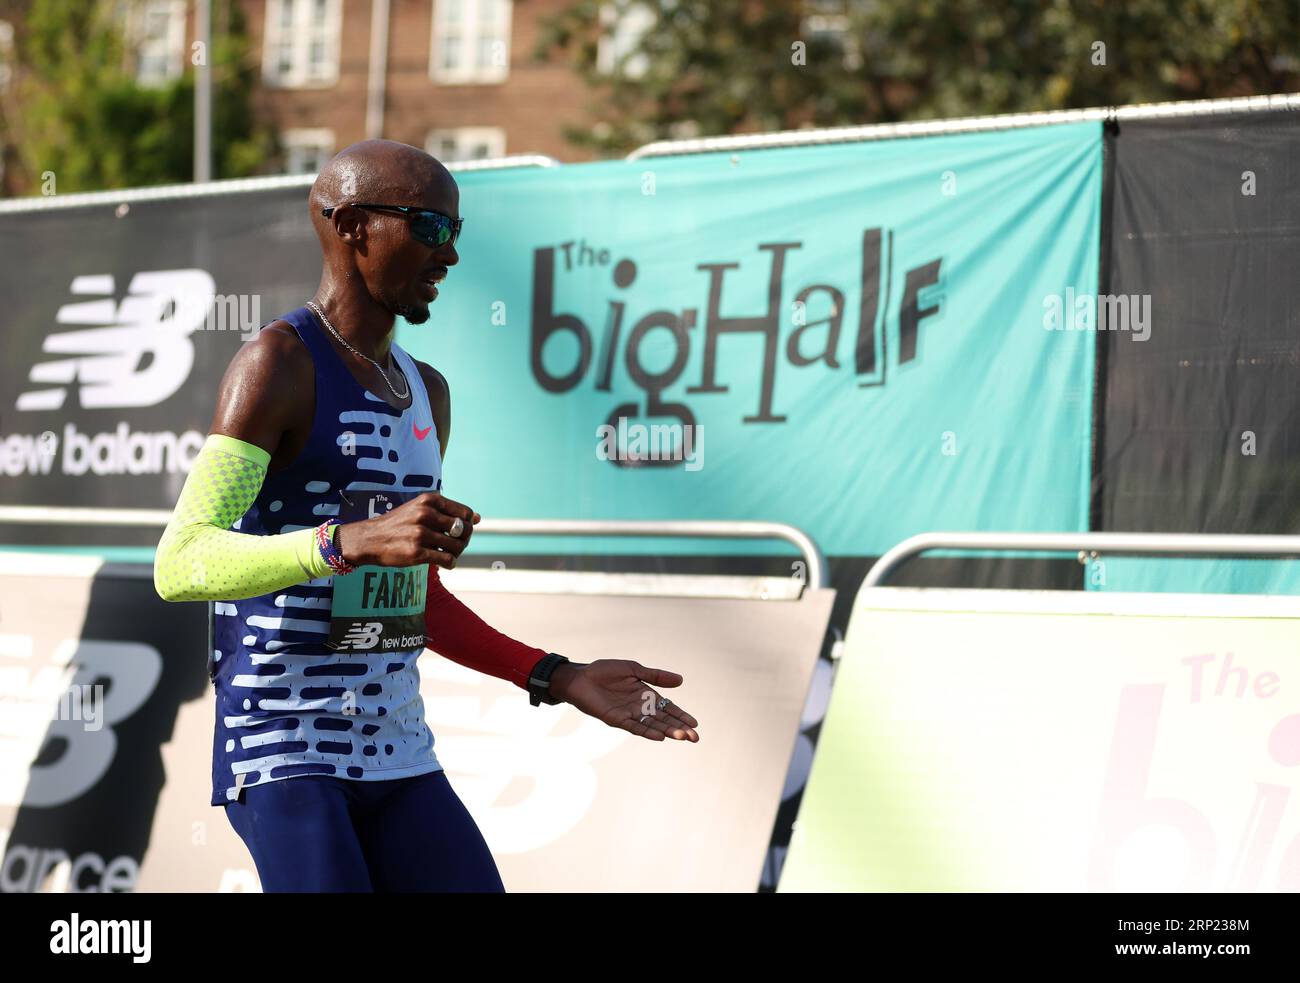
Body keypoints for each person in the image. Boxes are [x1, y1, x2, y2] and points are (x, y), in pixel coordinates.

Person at [153, 139, 700, 892]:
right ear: (352, 226)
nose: (449, 256)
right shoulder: (277, 364)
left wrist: (553, 673)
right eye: (431, 229)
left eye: (457, 233)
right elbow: (182, 561)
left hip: (397, 747)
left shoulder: (427, 392)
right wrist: (346, 542)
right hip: (285, 745)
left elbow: (416, 601)